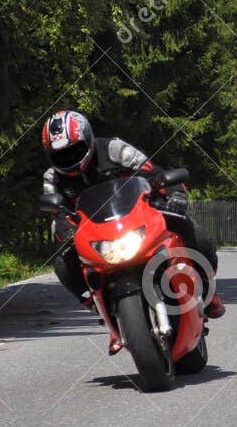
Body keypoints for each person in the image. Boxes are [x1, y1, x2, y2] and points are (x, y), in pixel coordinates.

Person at [38, 110, 225, 321]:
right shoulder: (52, 178)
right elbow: (56, 214)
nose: (69, 158)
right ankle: (98, 306)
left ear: (88, 138)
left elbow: (154, 172)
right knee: (63, 264)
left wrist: (175, 195)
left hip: (138, 216)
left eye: (74, 150)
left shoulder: (115, 149)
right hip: (96, 236)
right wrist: (66, 232)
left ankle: (208, 290)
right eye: (60, 155)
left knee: (189, 228)